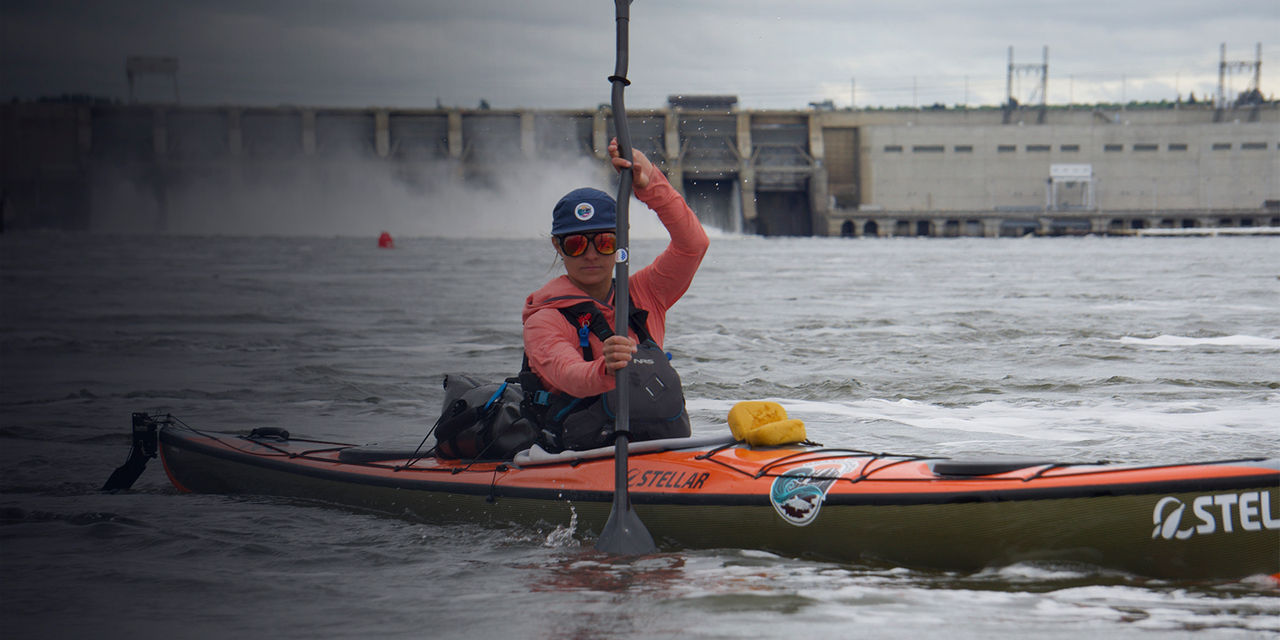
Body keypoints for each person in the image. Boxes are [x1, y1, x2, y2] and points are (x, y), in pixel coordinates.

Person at [520, 138, 709, 451]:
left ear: (621, 240)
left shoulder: (648, 292)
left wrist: (650, 184)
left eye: (605, 242)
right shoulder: (544, 318)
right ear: (558, 246)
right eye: (577, 244)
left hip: (652, 445)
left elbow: (693, 245)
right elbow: (568, 374)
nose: (591, 255)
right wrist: (604, 368)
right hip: (573, 449)